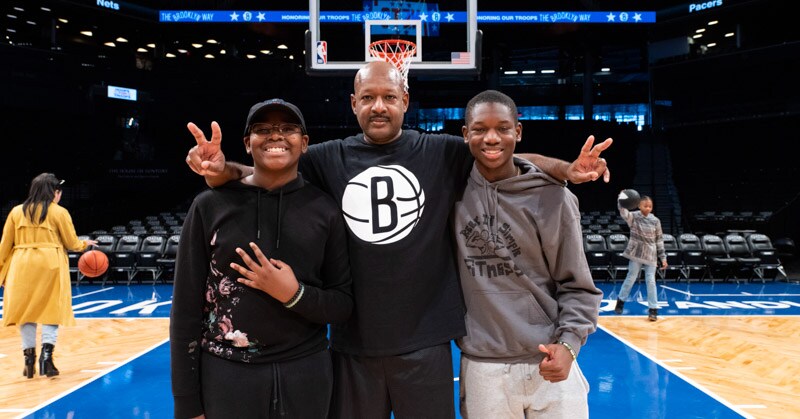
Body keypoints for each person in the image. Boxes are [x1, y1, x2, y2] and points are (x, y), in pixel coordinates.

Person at [184, 61, 612, 418]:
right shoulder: (326, 157)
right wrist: (219, 170)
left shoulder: (441, 151)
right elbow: (264, 170)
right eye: (367, 97)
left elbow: (502, 152)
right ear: (354, 104)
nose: (379, 106)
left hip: (424, 345)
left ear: (405, 101)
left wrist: (564, 170)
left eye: (389, 97)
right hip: (351, 346)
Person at [170, 99, 353, 418]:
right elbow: (185, 312)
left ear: (305, 143)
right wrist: (186, 402)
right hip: (226, 375)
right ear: (246, 143)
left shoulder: (326, 211)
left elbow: (342, 304)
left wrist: (293, 295)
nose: (275, 136)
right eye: (263, 129)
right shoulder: (208, 206)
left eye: (288, 128)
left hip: (306, 374)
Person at [455, 90, 602, 418]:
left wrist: (569, 346)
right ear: (465, 135)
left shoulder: (555, 199)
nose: (492, 138)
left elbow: (578, 286)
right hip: (484, 367)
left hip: (549, 359)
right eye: (480, 129)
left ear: (518, 132)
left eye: (503, 128)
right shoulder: (450, 189)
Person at [0, 173, 97, 379]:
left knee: (25, 313)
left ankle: (28, 359)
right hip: (50, 263)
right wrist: (84, 244)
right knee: (51, 310)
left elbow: (4, 246)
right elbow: (71, 243)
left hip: (21, 264)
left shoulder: (16, 212)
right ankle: (47, 357)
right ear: (54, 193)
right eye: (59, 191)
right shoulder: (59, 212)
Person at [613, 193, 667, 321]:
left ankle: (653, 309)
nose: (648, 208)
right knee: (631, 278)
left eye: (650, 206)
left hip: (651, 255)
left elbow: (659, 240)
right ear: (639, 205)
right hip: (636, 253)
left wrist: (663, 257)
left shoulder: (655, 221)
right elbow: (623, 211)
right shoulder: (634, 217)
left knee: (651, 281)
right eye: (645, 205)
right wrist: (620, 199)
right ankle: (620, 301)